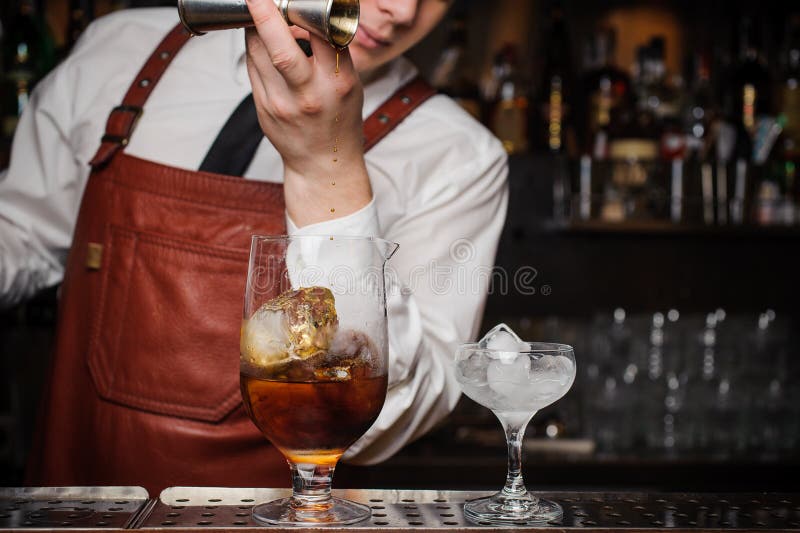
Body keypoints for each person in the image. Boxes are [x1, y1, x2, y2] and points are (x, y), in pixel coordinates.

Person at [0, 0, 508, 493]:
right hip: (76, 502)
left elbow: (394, 418)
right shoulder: (120, 48)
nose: (403, 10)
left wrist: (327, 172)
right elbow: (21, 229)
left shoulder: (459, 157)